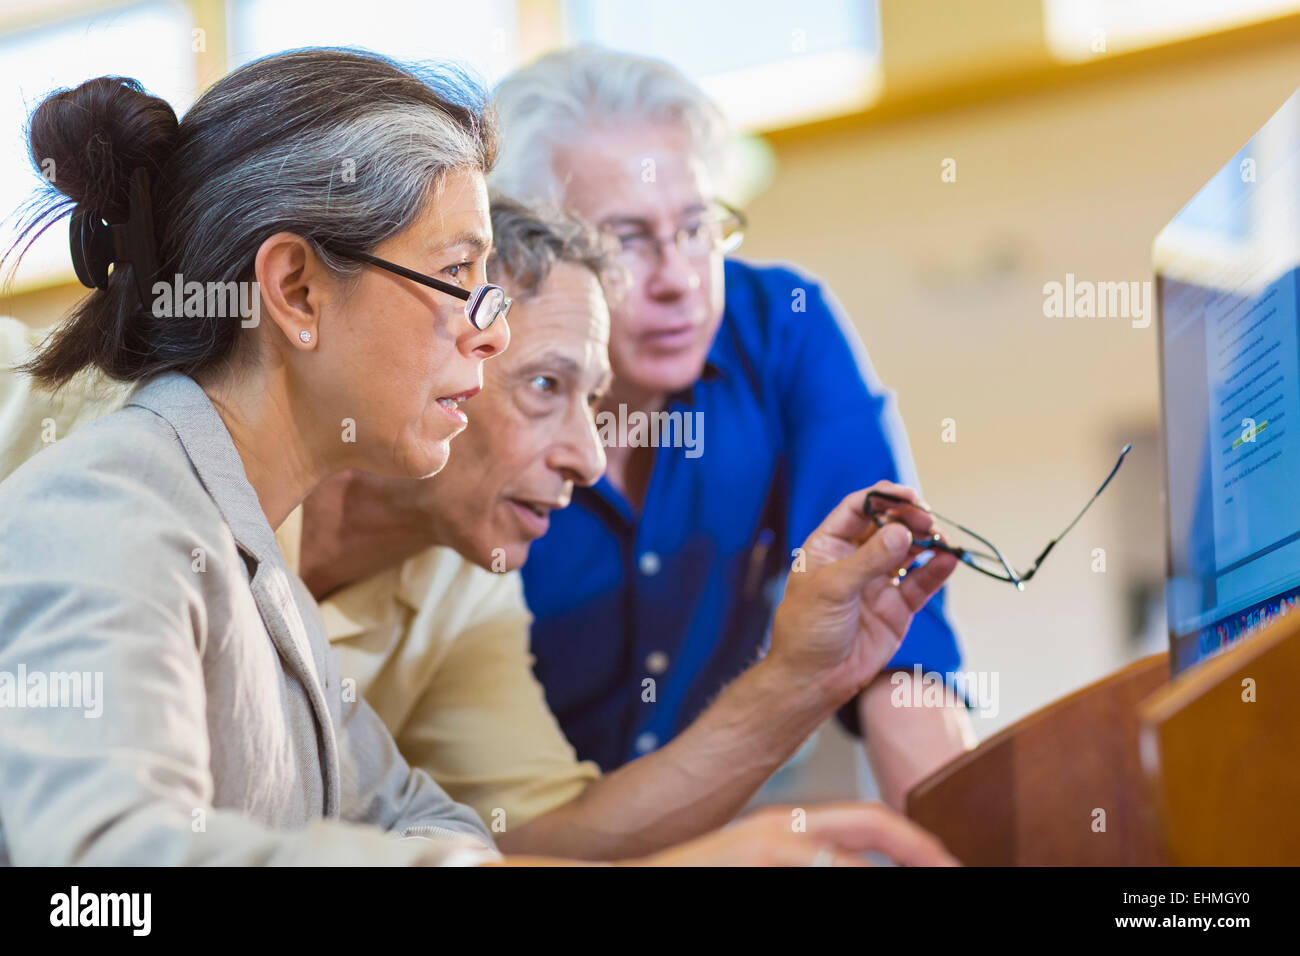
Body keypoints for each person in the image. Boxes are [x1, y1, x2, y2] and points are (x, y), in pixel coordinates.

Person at [0, 54, 956, 866]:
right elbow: (100, 878)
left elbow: (462, 832)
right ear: (294, 289)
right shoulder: (109, 497)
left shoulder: (276, 594)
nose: (488, 338)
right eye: (461, 280)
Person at [490, 47, 978, 806]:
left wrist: (966, 842)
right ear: (524, 259)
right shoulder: (468, 393)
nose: (680, 280)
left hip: (703, 825)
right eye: (626, 241)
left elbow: (891, 624)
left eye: (696, 228)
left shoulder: (782, 329)